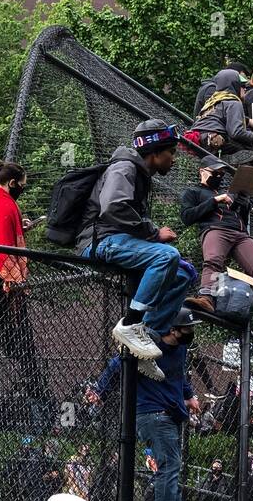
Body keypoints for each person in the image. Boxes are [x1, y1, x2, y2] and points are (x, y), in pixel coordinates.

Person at [78, 120, 194, 364]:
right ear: (154, 152)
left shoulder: (141, 174)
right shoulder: (124, 168)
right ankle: (130, 325)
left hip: (120, 240)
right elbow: (114, 207)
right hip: (101, 241)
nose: (174, 159)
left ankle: (147, 335)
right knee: (167, 256)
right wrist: (153, 234)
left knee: (184, 273)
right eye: (171, 152)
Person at [88, 309, 201, 501]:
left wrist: (189, 395)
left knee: (172, 467)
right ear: (173, 330)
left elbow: (179, 374)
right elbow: (116, 364)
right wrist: (99, 390)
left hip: (171, 413)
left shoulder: (181, 348)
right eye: (187, 328)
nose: (191, 332)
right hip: (153, 414)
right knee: (169, 467)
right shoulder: (147, 347)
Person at [182, 156, 253, 341]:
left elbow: (242, 220)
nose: (219, 176)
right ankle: (206, 297)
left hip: (240, 234)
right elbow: (187, 217)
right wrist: (215, 200)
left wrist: (244, 203)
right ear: (202, 171)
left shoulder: (228, 191)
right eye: (215, 172)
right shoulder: (193, 191)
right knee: (213, 260)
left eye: (222, 173)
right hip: (214, 229)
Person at [188, 68, 253, 160]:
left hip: (198, 141)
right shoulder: (233, 102)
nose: (245, 89)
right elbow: (236, 132)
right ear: (234, 86)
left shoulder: (213, 101)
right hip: (215, 141)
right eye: (242, 85)